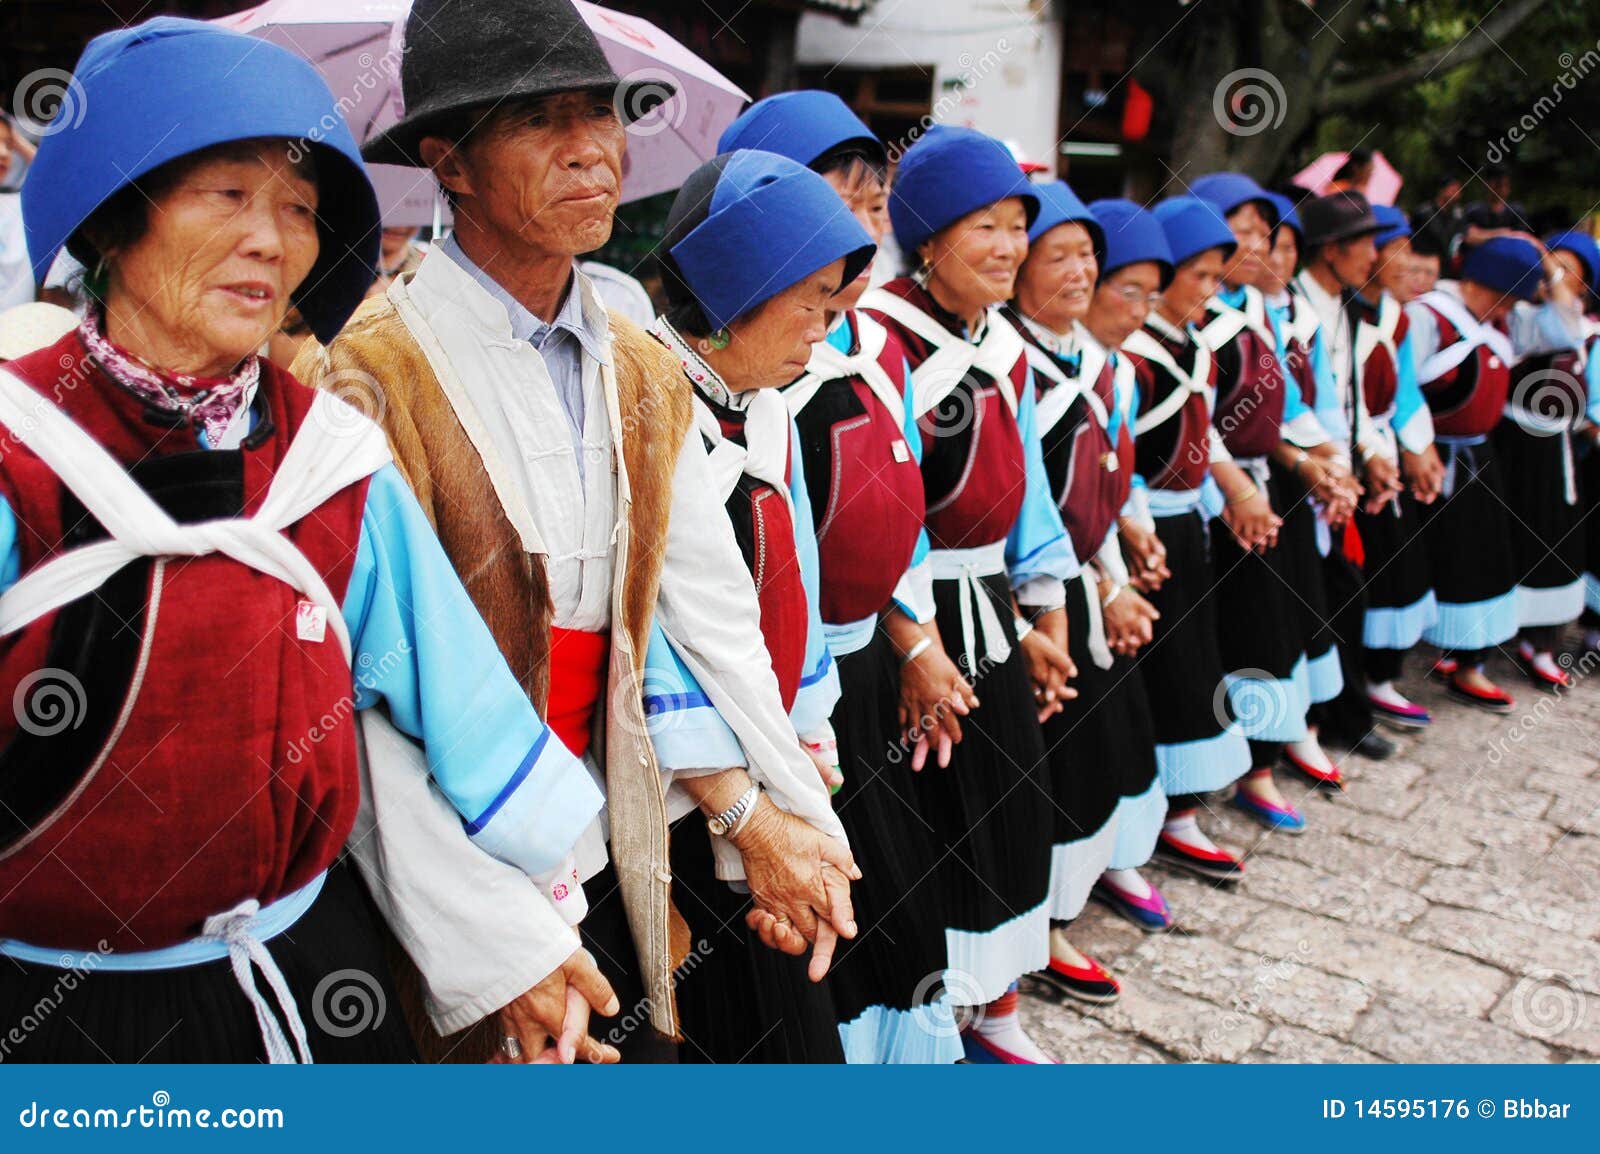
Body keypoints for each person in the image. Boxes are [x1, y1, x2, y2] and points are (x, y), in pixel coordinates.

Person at [0, 17, 607, 1063]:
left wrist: (533, 934)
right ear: (111, 220)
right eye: (227, 194)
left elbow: (464, 714)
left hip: (302, 980)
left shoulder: (330, 464)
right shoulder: (21, 449)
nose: (271, 241)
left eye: (298, 208)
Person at [293, 0, 854, 1064]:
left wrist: (784, 819)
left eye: (600, 112)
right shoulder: (366, 376)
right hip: (443, 849)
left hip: (612, 825)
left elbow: (711, 613)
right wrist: (493, 944)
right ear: (447, 162)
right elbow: (358, 703)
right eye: (538, 119)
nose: (591, 148)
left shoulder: (641, 366)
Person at [722, 90, 964, 1063]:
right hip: (778, 696)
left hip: (857, 673)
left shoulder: (881, 350)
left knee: (890, 889)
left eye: (873, 208)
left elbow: (904, 513)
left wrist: (916, 637)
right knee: (810, 918)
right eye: (836, 204)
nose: (860, 234)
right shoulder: (754, 368)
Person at [645, 149, 879, 1062]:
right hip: (677, 790)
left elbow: (797, 585)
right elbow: (643, 636)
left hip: (771, 749)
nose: (824, 328)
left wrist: (808, 738)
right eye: (809, 302)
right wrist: (745, 816)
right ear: (734, 287)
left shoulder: (767, 409)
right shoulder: (646, 409)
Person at [861, 126, 1079, 1064]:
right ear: (927, 237)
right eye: (983, 225)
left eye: (1017, 225)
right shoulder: (883, 342)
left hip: (988, 604)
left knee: (1011, 802)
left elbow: (1031, 495)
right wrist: (915, 642)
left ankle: (998, 1006)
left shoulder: (1007, 346)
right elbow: (879, 510)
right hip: (909, 619)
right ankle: (931, 1020)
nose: (1008, 247)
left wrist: (1046, 611)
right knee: (936, 815)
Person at [1009, 190, 1172, 984]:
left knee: (1108, 736)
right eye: (1059, 255)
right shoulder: (1010, 364)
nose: (1080, 272)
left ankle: (1095, 873)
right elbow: (1026, 504)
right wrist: (1098, 590)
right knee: (1056, 757)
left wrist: (1118, 564)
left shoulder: (1106, 364)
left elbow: (1105, 482)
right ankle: (1041, 923)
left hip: (1089, 580)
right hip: (1030, 594)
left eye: (1088, 255)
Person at [1189, 172, 1336, 835]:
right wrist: (1233, 488)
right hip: (1214, 495)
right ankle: (1235, 770)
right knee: (1237, 629)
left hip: (1261, 485)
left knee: (1272, 623)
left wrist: (1320, 460)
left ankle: (1262, 759)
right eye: (1239, 231)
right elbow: (1196, 422)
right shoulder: (1200, 317)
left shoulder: (1259, 312)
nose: (1255, 245)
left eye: (1262, 232)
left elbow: (1285, 406)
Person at [1119, 194, 1251, 880]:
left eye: (1216, 278)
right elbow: (1122, 458)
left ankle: (1183, 803)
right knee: (1162, 667)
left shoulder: (1192, 344)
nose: (1209, 290)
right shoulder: (1135, 357)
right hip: (1147, 530)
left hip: (1187, 520)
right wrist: (1139, 529)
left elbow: (1206, 432)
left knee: (1195, 657)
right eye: (1197, 275)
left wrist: (1235, 489)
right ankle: (1157, 813)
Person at [1407, 236, 1549, 711]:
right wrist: (1416, 447)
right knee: (1426, 560)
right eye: (1501, 296)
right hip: (1428, 457)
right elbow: (1403, 388)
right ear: (1475, 281)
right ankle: (1398, 661)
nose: (1506, 308)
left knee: (1482, 558)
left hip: (1480, 457)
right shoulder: (1429, 317)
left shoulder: (1500, 325)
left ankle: (1469, 660)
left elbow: (1563, 328)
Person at [1262, 190, 1375, 780]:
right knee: (1281, 612)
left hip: (1317, 470)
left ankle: (1316, 722)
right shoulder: (1240, 318)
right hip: (1270, 478)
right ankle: (1275, 741)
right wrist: (1318, 464)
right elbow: (1267, 409)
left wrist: (1339, 466)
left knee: (1324, 599)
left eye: (1287, 248)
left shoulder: (1307, 311)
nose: (1277, 260)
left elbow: (1326, 397)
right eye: (1266, 247)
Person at [1347, 204, 1444, 729]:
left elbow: (1405, 392)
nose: (1407, 262)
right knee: (1365, 571)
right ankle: (1359, 678)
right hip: (1351, 455)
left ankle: (1382, 676)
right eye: (1396, 249)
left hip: (1384, 451)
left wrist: (1419, 448)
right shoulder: (1339, 314)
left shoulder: (1395, 316)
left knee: (1400, 564)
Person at [1496, 232, 1590, 687]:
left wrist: (1553, 275)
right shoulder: (1518, 314)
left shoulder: (1578, 325)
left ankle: (1542, 642)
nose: (1553, 274)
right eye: (1551, 264)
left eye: (1567, 269)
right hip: (1509, 440)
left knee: (1552, 538)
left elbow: (1567, 327)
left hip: (1553, 450)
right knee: (1502, 535)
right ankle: (1482, 639)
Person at [0, 112, 35, 309]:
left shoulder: (19, 207)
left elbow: (56, 181)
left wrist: (18, 141)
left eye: (8, 145)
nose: (4, 153)